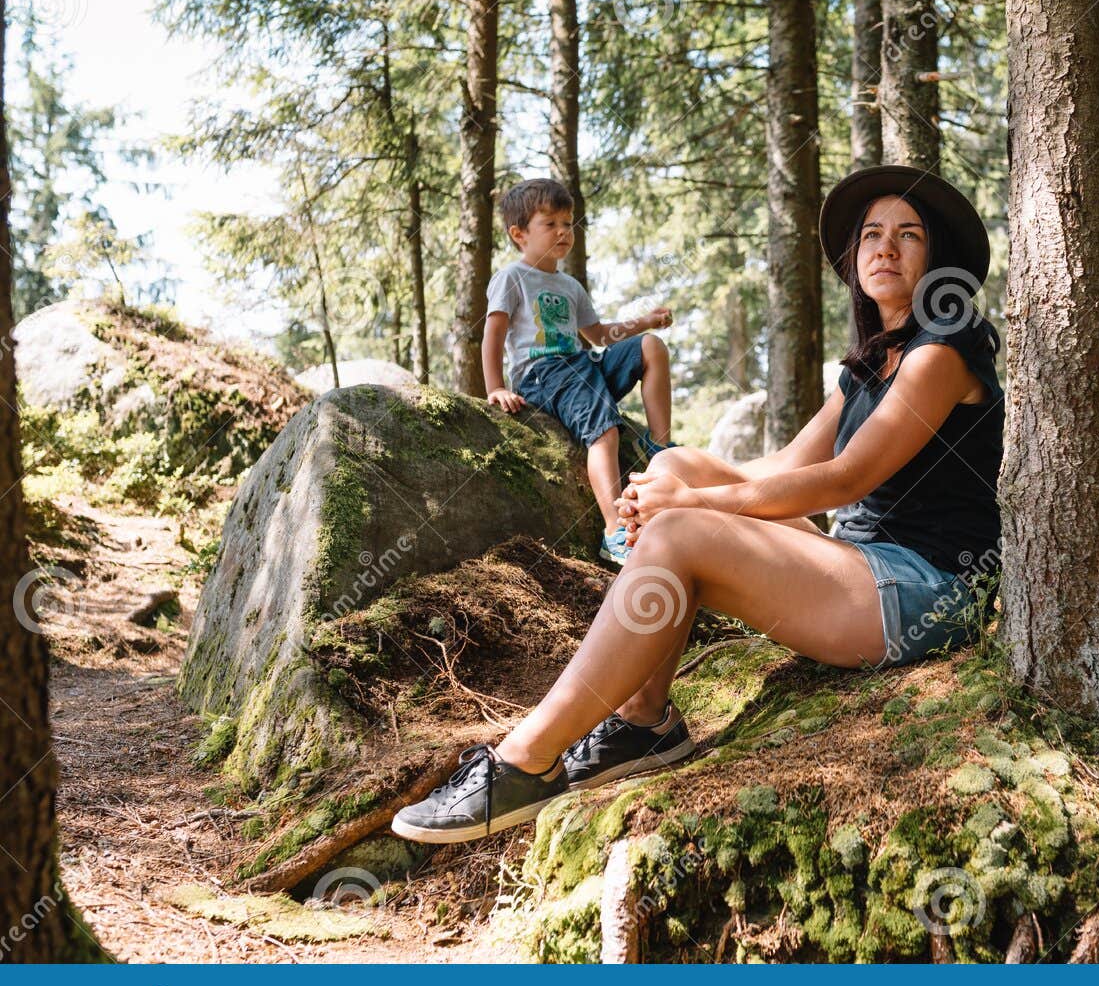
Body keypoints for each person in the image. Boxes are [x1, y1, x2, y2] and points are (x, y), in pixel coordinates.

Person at [393, 165, 1004, 844]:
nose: (885, 249)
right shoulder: (870, 363)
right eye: (872, 236)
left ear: (935, 259)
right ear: (855, 258)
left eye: (908, 236)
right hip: (864, 566)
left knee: (682, 526)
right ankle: (642, 723)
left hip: (927, 592)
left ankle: (522, 762)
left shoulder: (941, 354)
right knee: (673, 461)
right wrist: (675, 486)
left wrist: (694, 506)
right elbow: (782, 465)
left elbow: (842, 481)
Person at [482, 177, 678, 565]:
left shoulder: (569, 285)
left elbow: (600, 335)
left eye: (568, 223)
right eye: (550, 223)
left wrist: (644, 323)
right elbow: (493, 332)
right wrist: (496, 387)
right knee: (603, 429)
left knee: (651, 348)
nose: (563, 231)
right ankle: (614, 530)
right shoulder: (511, 278)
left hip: (582, 365)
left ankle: (659, 448)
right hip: (543, 374)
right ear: (519, 234)